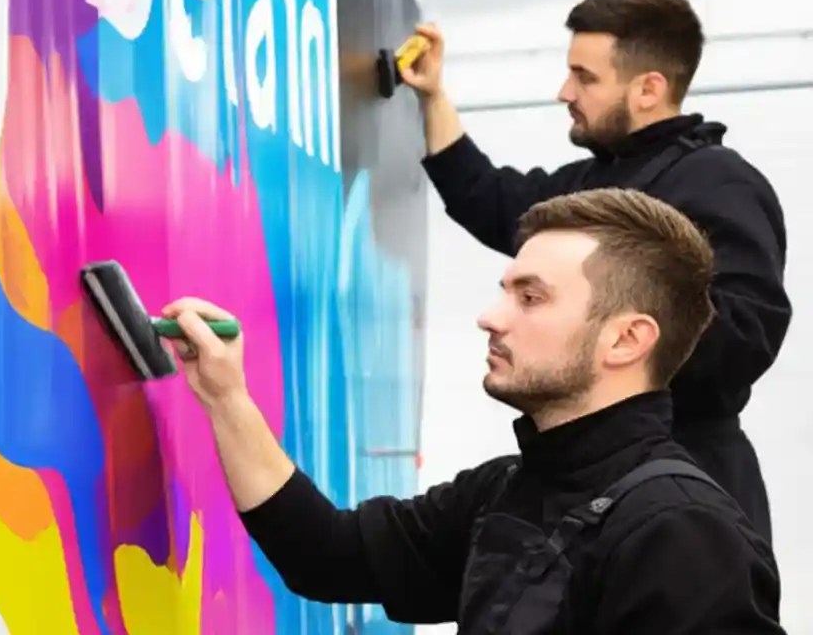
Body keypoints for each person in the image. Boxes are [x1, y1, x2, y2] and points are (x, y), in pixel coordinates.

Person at [161, 188, 784, 633]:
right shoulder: (504, 489)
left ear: (627, 339)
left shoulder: (683, 533)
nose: (491, 315)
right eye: (504, 289)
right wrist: (225, 395)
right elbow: (325, 554)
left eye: (530, 296)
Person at [398, 0, 789, 544]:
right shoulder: (594, 183)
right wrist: (433, 98)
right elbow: (488, 197)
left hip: (688, 486)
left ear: (649, 87)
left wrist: (599, 343)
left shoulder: (720, 183)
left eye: (585, 77)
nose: (565, 91)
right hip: (590, 478)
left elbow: (744, 336)